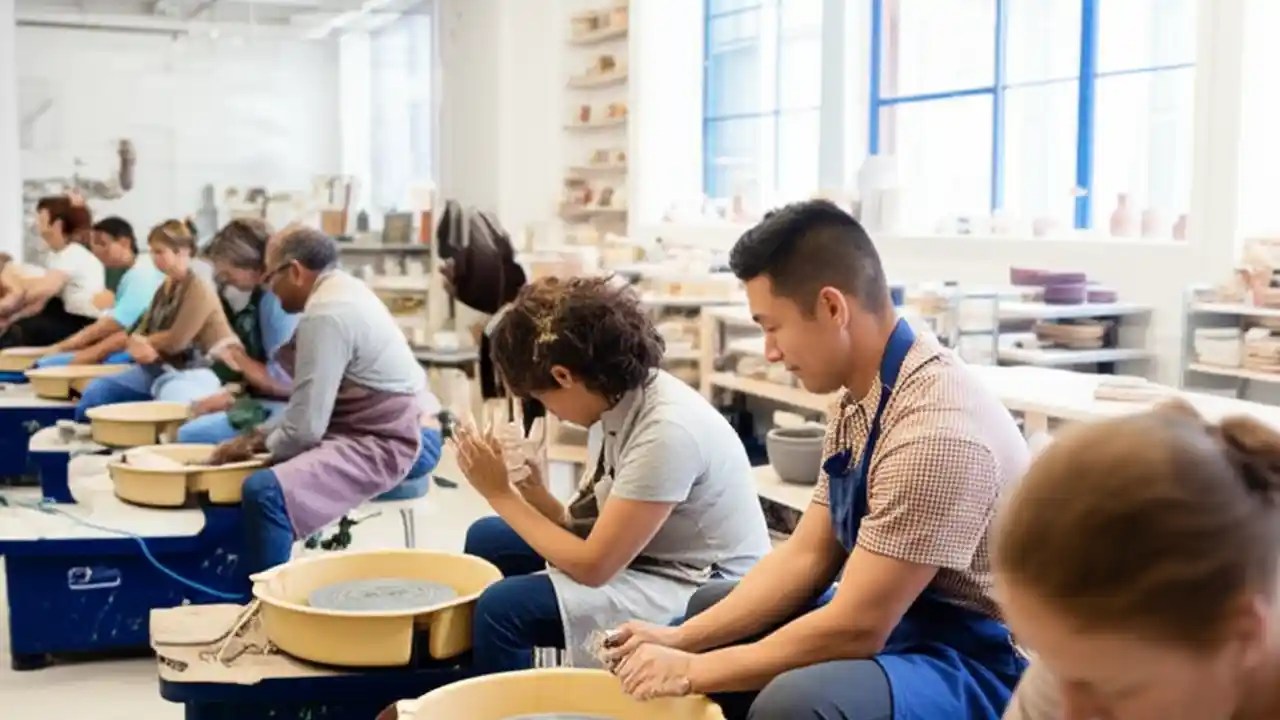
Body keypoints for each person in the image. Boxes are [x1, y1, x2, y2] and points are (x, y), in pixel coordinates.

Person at [605, 200, 1031, 720]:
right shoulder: (863, 396)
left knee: (796, 704)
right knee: (707, 608)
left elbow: (858, 625)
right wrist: (680, 638)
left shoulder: (936, 433)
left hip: (977, 657)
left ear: (833, 308)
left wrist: (692, 668)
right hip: (904, 615)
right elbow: (807, 555)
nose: (770, 352)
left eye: (772, 326)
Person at [452, 276, 771, 674]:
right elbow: (587, 529)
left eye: (541, 398)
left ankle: (502, 706)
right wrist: (533, 494)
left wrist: (499, 494)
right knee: (489, 537)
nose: (548, 411)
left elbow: (594, 565)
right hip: (650, 556)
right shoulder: (617, 398)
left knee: (503, 608)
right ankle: (470, 689)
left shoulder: (666, 431)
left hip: (704, 587)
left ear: (564, 376)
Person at [996, 401, 1280, 720]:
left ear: (1243, 637)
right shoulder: (1086, 657)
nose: (1071, 715)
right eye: (1044, 658)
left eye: (1116, 692)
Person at [209, 227, 442, 582]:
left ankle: (267, 613)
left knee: (264, 490)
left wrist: (260, 443)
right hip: (383, 426)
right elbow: (310, 410)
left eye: (271, 278)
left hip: (400, 440)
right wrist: (260, 436)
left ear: (296, 272)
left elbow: (305, 429)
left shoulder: (327, 313)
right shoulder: (341, 289)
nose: (268, 289)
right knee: (260, 461)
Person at [73, 220, 236, 422]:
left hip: (194, 373)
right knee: (96, 393)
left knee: (170, 412)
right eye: (151, 252)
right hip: (157, 368)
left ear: (182, 252)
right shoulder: (165, 287)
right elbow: (138, 330)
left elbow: (177, 340)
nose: (154, 258)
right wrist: (138, 344)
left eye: (160, 252)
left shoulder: (199, 288)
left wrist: (146, 343)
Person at [176, 219, 298, 444]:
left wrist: (233, 352)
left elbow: (284, 384)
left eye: (227, 270)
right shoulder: (258, 297)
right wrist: (233, 396)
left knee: (191, 434)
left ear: (252, 266)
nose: (223, 277)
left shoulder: (275, 302)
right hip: (272, 397)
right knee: (192, 415)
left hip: (293, 407)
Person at [36, 217, 165, 368]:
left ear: (124, 242)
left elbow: (118, 324)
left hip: (143, 349)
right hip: (129, 340)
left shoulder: (142, 273)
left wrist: (64, 347)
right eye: (94, 244)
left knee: (48, 363)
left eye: (103, 244)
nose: (97, 250)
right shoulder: (132, 272)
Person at [0, 195, 104, 348]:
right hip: (63, 314)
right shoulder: (55, 256)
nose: (38, 226)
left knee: (20, 332)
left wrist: (13, 296)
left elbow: (43, 290)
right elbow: (38, 304)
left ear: (57, 224)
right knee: (14, 327)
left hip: (83, 322)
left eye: (41, 221)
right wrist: (11, 317)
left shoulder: (73, 253)